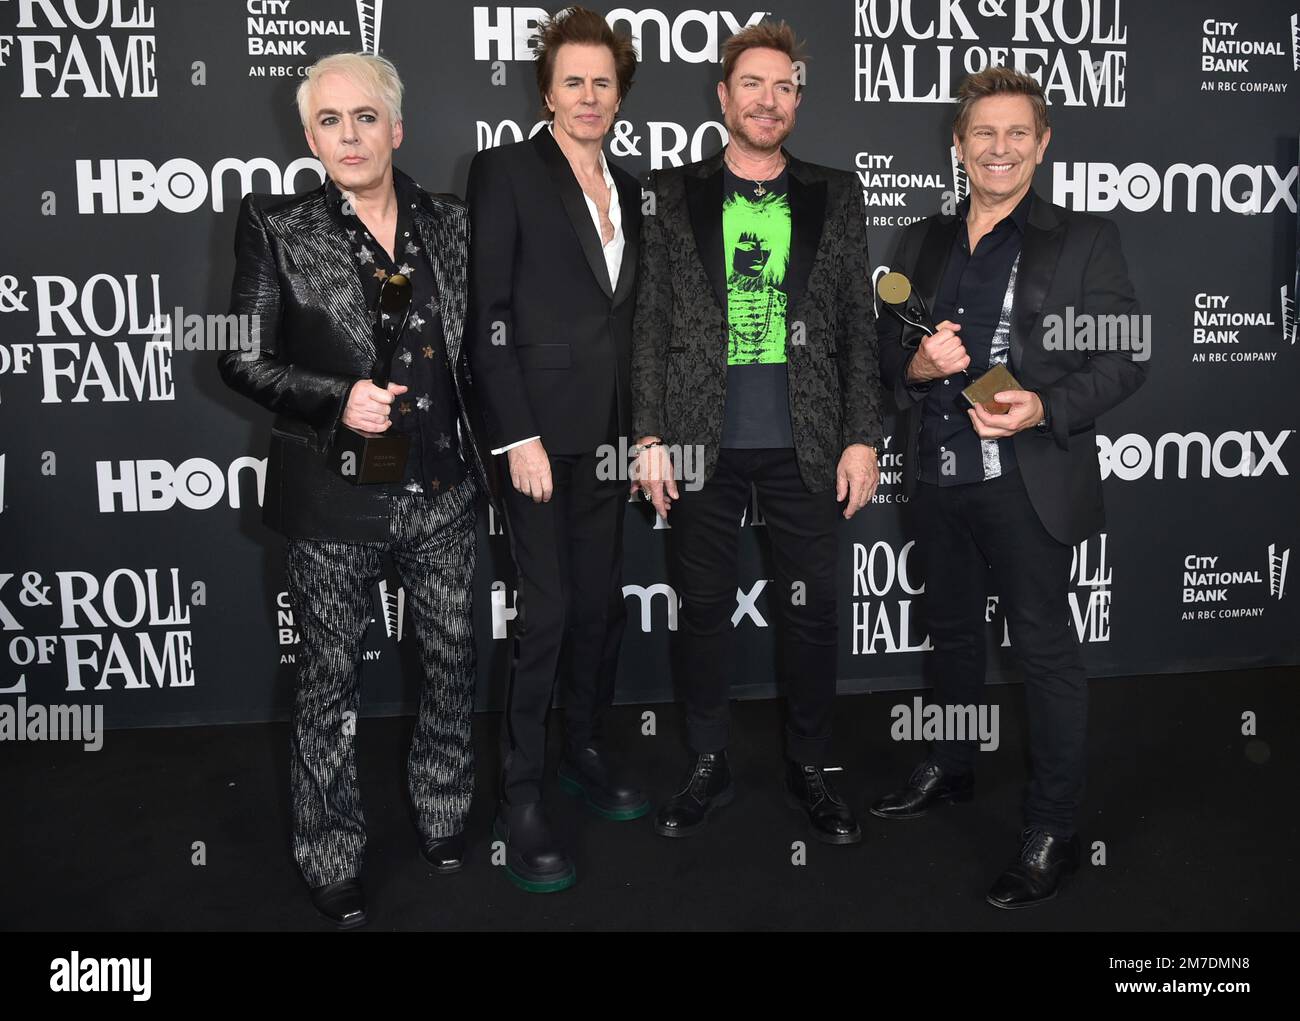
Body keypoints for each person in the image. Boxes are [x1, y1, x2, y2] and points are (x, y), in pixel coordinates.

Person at [219, 52, 491, 927]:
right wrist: (339, 401)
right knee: (329, 683)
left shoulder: (451, 222)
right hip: (334, 500)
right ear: (309, 138)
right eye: (330, 121)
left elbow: (485, 348)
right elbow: (240, 356)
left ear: (396, 127)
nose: (349, 135)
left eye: (365, 117)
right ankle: (331, 850)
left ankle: (446, 813)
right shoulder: (275, 224)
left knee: (454, 662)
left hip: (443, 488)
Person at [873, 66, 1147, 908]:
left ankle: (1054, 827)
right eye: (982, 134)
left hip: (1027, 485)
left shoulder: (1082, 238)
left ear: (1042, 143)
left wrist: (1039, 408)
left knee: (1044, 654)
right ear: (957, 146)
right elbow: (886, 363)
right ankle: (952, 765)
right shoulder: (919, 242)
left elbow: (1126, 355)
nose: (999, 149)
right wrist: (918, 364)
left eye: (1016, 134)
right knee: (951, 637)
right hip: (937, 477)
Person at [630, 20, 883, 845]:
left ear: (797, 102)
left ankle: (810, 764)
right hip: (701, 437)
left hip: (807, 441)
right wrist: (648, 435)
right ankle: (707, 760)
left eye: (783, 87)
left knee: (811, 615)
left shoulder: (835, 193)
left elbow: (855, 321)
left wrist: (862, 435)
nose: (767, 100)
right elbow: (652, 322)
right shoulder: (674, 193)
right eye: (752, 84)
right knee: (702, 608)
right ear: (724, 96)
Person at [465, 6, 645, 894]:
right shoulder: (504, 171)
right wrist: (516, 434)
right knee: (544, 615)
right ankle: (521, 791)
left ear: (620, 94)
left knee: (600, 607)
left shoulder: (633, 185)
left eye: (602, 81)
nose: (587, 95)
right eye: (572, 80)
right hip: (536, 439)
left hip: (611, 437)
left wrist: (646, 431)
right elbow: (487, 317)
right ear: (547, 90)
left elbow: (638, 323)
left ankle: (580, 746)